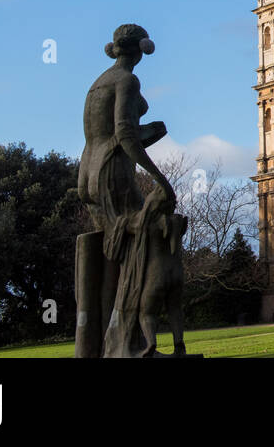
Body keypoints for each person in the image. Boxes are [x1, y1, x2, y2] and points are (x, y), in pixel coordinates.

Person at [78, 23, 180, 357]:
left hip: (89, 173)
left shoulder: (99, 83)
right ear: (142, 49)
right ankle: (132, 345)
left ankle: (103, 345)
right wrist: (158, 178)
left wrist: (148, 131)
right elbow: (123, 134)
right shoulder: (127, 80)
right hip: (112, 172)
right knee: (144, 240)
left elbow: (103, 134)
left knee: (119, 250)